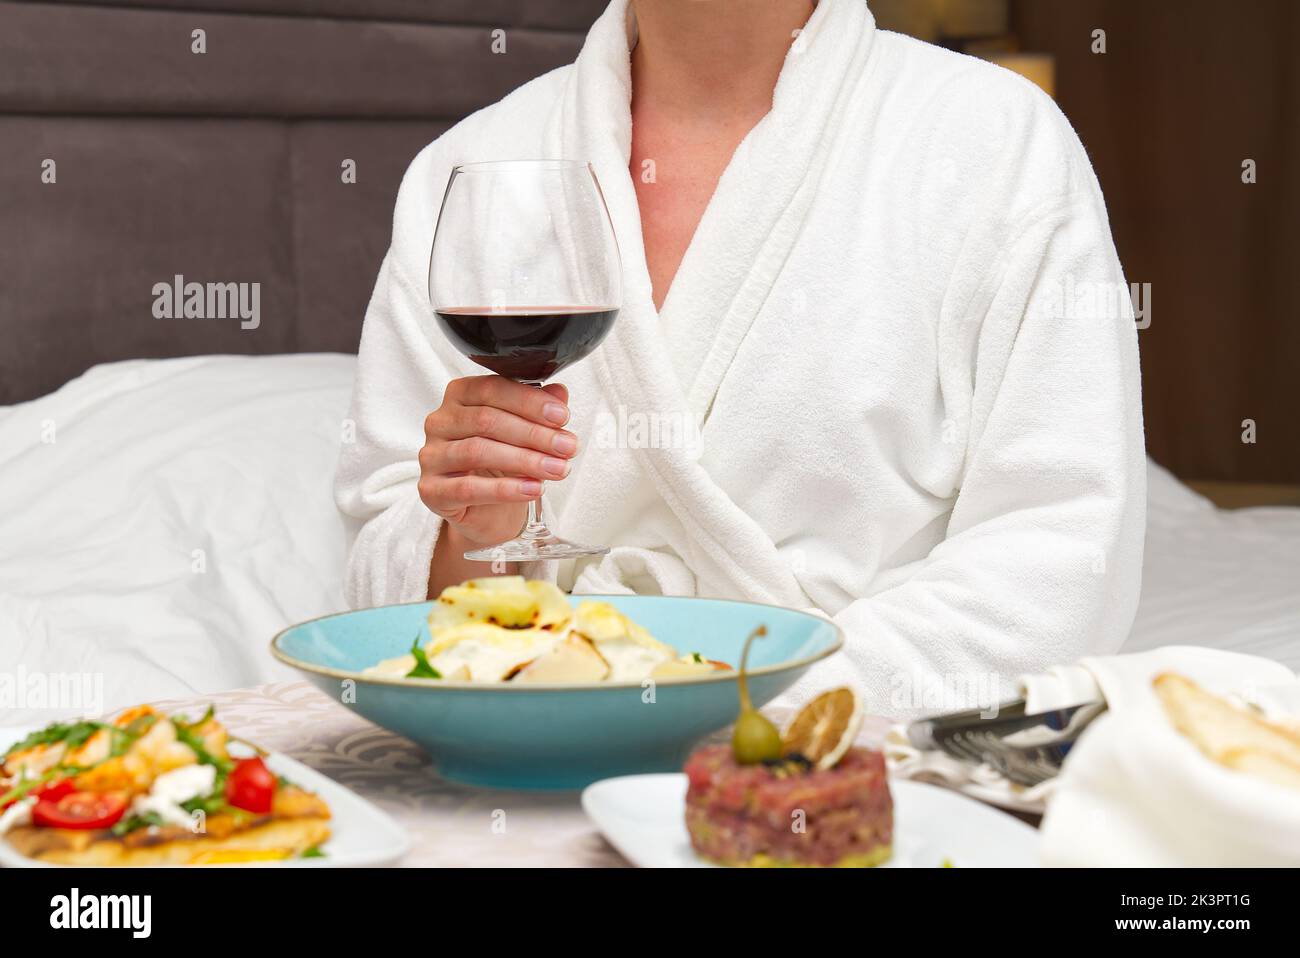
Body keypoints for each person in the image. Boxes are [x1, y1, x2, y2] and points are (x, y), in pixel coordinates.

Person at [335, 0, 1145, 717]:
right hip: (535, 745)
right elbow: (383, 587)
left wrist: (746, 704)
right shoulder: (469, 168)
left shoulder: (994, 141)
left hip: (864, 763)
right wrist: (477, 532)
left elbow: (1060, 554)